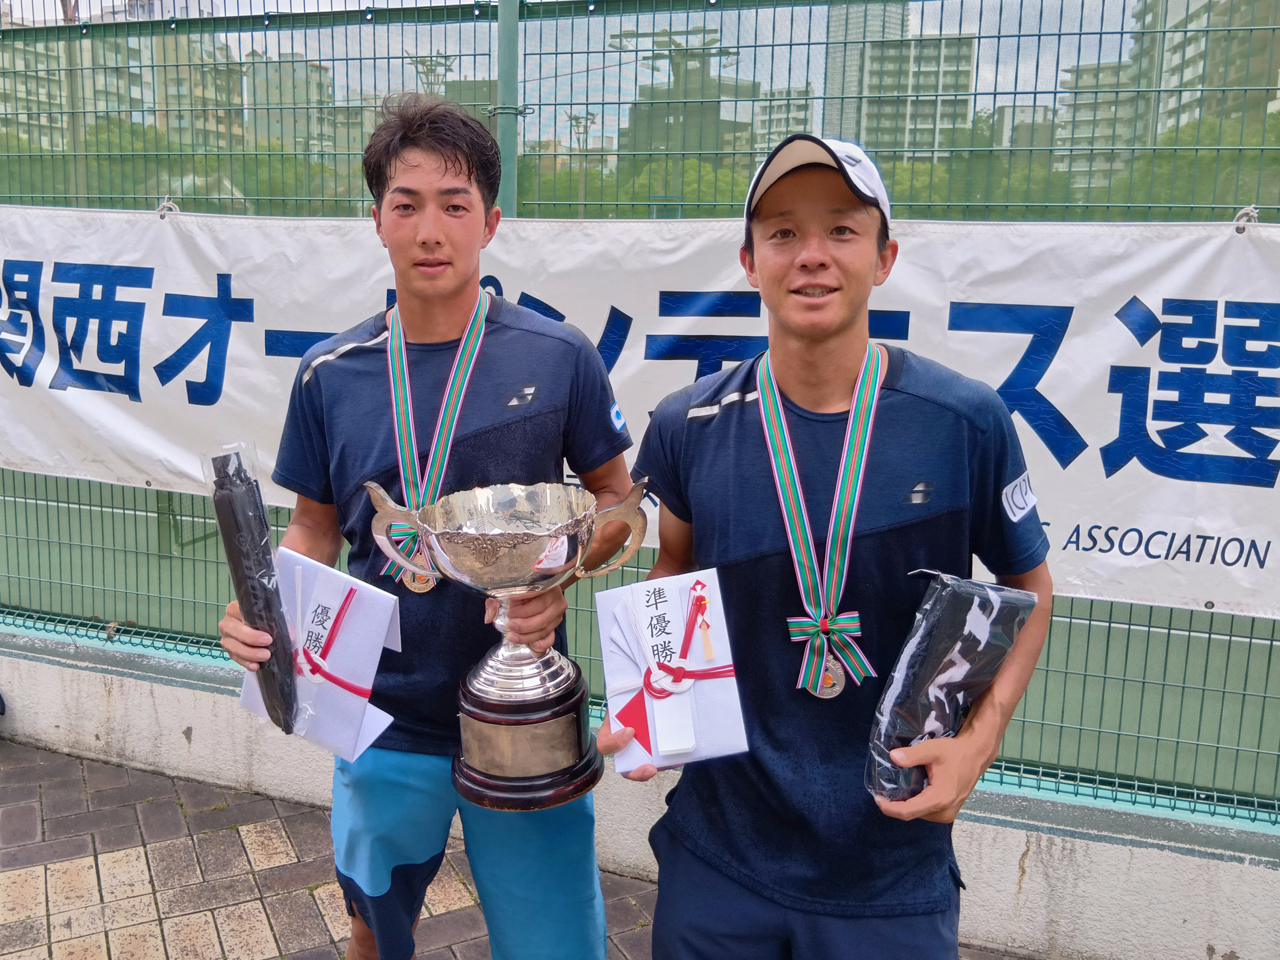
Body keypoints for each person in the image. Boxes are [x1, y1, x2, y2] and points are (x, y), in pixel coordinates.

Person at [597, 134, 1055, 959]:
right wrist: (653, 701)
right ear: (749, 259)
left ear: (884, 257)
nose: (811, 256)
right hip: (721, 853)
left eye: (842, 231)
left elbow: (1032, 588)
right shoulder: (687, 424)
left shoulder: (965, 422)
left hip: (891, 858)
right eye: (782, 233)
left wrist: (979, 744)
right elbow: (673, 565)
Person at [219, 95, 634, 960]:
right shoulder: (329, 373)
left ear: (491, 218)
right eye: (406, 204)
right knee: (376, 924)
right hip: (381, 713)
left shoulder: (559, 358)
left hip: (525, 713)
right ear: (377, 220)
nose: (430, 228)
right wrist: (264, 609)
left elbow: (618, 502)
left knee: (554, 941)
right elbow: (313, 531)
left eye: (454, 203)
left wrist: (553, 577)